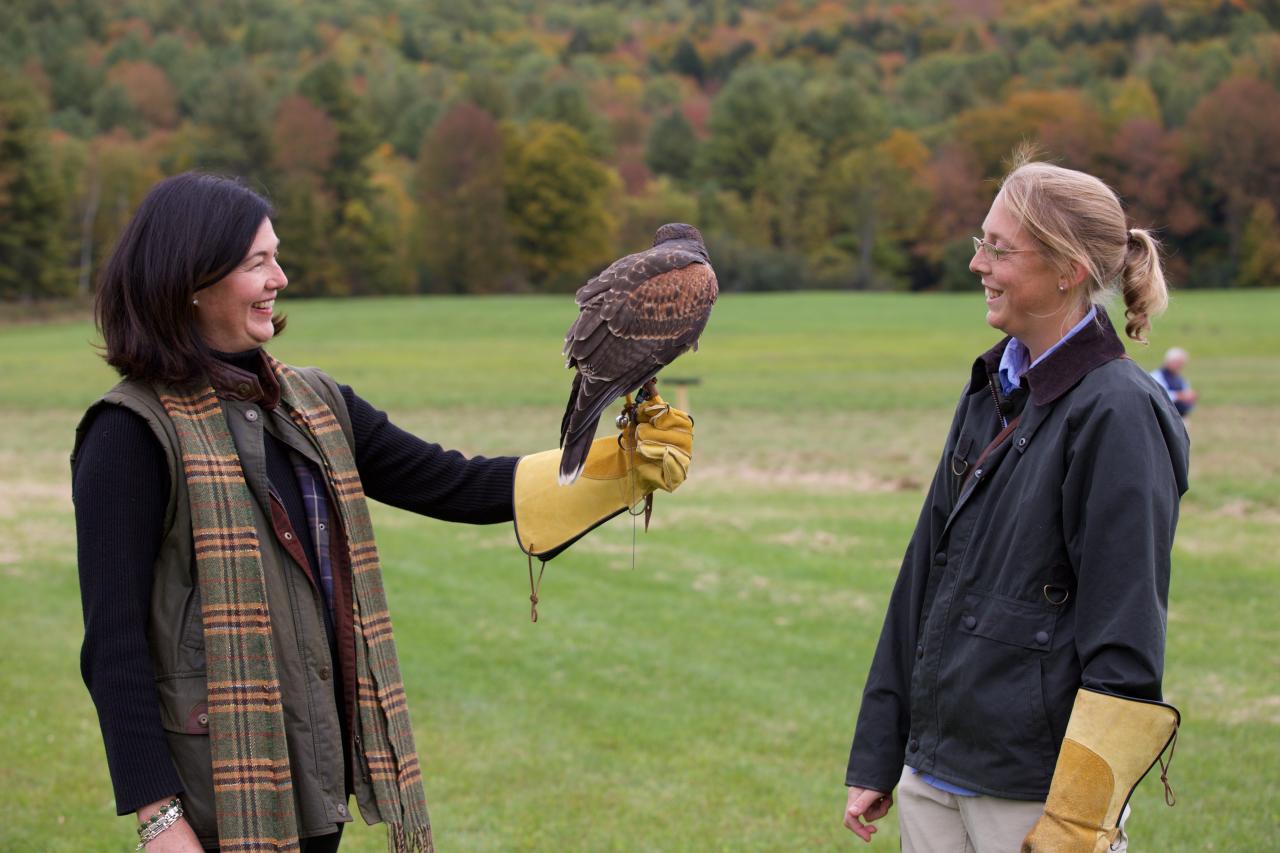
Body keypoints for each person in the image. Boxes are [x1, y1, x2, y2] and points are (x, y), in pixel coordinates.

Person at [72, 172, 695, 852]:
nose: (281, 276)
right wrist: (159, 820)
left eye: (277, 255)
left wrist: (614, 468)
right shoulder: (129, 433)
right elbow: (115, 648)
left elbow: (452, 482)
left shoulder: (312, 403)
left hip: (310, 781)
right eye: (259, 262)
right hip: (215, 792)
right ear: (192, 277)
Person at [841, 156, 1189, 852]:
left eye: (999, 248)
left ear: (1066, 268)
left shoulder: (1118, 410)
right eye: (981, 242)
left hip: (1035, 793)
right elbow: (923, 578)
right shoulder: (992, 384)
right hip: (933, 777)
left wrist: (1080, 817)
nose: (978, 264)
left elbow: (1125, 640)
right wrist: (881, 752)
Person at [1151, 347, 1198, 417]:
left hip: (1180, 416)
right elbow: (1157, 396)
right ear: (1169, 361)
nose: (1180, 366)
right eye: (1178, 363)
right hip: (1164, 417)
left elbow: (1186, 393)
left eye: (1182, 363)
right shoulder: (1156, 376)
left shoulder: (1180, 378)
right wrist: (1179, 396)